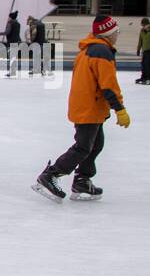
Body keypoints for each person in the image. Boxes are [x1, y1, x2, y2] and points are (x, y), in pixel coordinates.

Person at [33, 15, 131, 204]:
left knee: (95, 145)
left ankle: (82, 181)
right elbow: (108, 85)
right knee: (83, 147)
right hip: (89, 107)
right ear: (108, 33)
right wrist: (120, 109)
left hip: (87, 105)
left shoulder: (91, 49)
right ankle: (50, 175)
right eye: (116, 32)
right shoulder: (101, 52)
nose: (117, 35)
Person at [1, 10, 21, 76]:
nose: (8, 18)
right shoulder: (18, 24)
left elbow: (8, 32)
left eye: (9, 17)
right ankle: (13, 71)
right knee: (14, 57)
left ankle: (12, 72)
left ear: (11, 17)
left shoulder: (10, 23)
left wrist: (2, 33)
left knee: (11, 57)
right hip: (17, 41)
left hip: (11, 42)